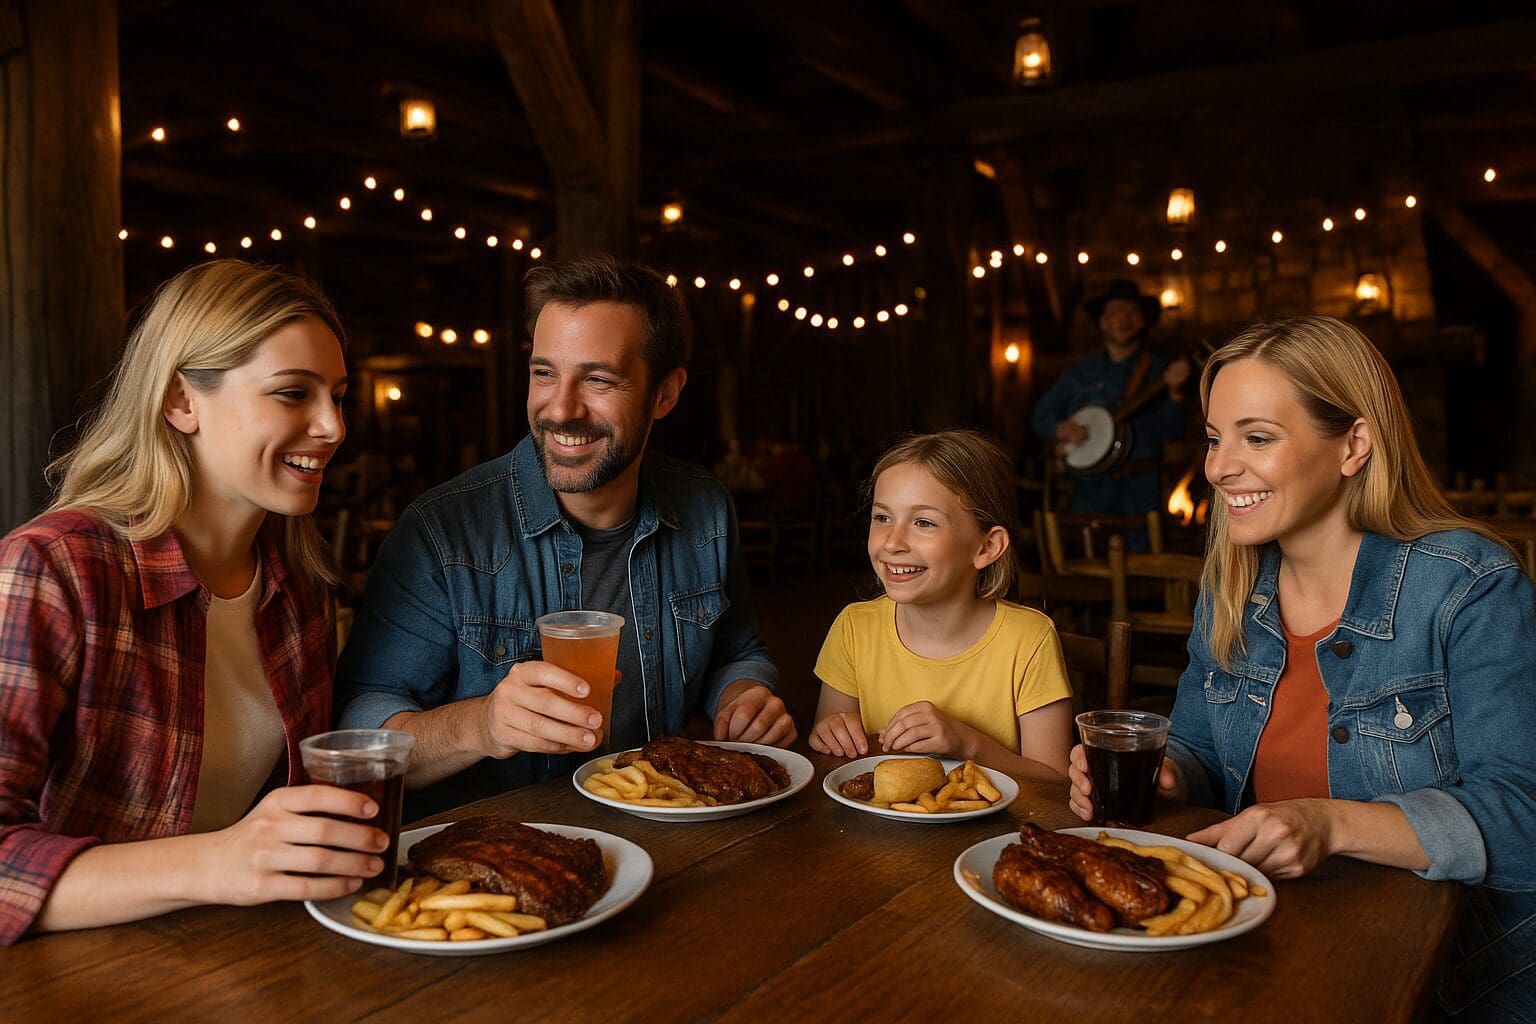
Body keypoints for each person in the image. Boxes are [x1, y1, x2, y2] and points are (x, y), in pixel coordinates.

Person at [1066, 316, 1536, 1021]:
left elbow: (1524, 819)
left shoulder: (1469, 585)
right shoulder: (1231, 584)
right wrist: (1167, 773)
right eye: (1215, 438)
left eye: (1257, 437)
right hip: (1264, 953)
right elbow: (1195, 748)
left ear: (1353, 445)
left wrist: (1331, 824)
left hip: (1449, 987)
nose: (1221, 466)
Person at [0, 260, 381, 944]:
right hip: (69, 981)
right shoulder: (54, 567)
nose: (332, 426)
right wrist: (217, 862)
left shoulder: (297, 587)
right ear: (181, 402)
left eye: (338, 395)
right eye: (293, 393)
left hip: (239, 958)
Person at [335, 255, 793, 817]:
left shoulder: (705, 509)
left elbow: (737, 652)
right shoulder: (442, 531)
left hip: (671, 844)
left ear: (666, 393)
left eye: (598, 379)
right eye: (544, 373)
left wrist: (743, 695)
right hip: (504, 854)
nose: (560, 408)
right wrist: (482, 725)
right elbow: (360, 728)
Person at [808, 430, 1073, 780]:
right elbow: (831, 755)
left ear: (986, 548)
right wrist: (830, 735)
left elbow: (1055, 779)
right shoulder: (854, 627)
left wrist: (969, 744)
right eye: (882, 517)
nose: (892, 542)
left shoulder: (1030, 639)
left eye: (923, 522)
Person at [1030, 279, 1191, 547]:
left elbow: (1173, 431)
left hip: (1141, 489)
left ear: (1142, 320)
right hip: (1089, 490)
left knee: (1145, 571)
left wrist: (1176, 394)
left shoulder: (1161, 370)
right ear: (1103, 322)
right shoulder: (1080, 373)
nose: (1124, 319)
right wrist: (1062, 429)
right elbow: (1041, 415)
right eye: (1116, 311)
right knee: (1087, 565)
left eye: (1132, 312)